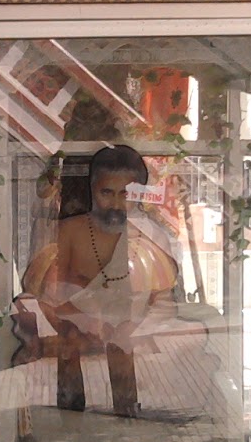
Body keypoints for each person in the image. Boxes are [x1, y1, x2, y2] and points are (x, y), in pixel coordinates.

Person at [33, 144, 177, 416]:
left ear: (141, 195)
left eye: (126, 194)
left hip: (128, 333)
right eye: (106, 193)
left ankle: (129, 421)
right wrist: (80, 321)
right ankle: (70, 422)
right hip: (74, 331)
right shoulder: (68, 233)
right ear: (92, 189)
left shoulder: (149, 237)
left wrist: (135, 327)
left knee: (123, 355)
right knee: (70, 348)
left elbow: (163, 299)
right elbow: (49, 294)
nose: (115, 203)